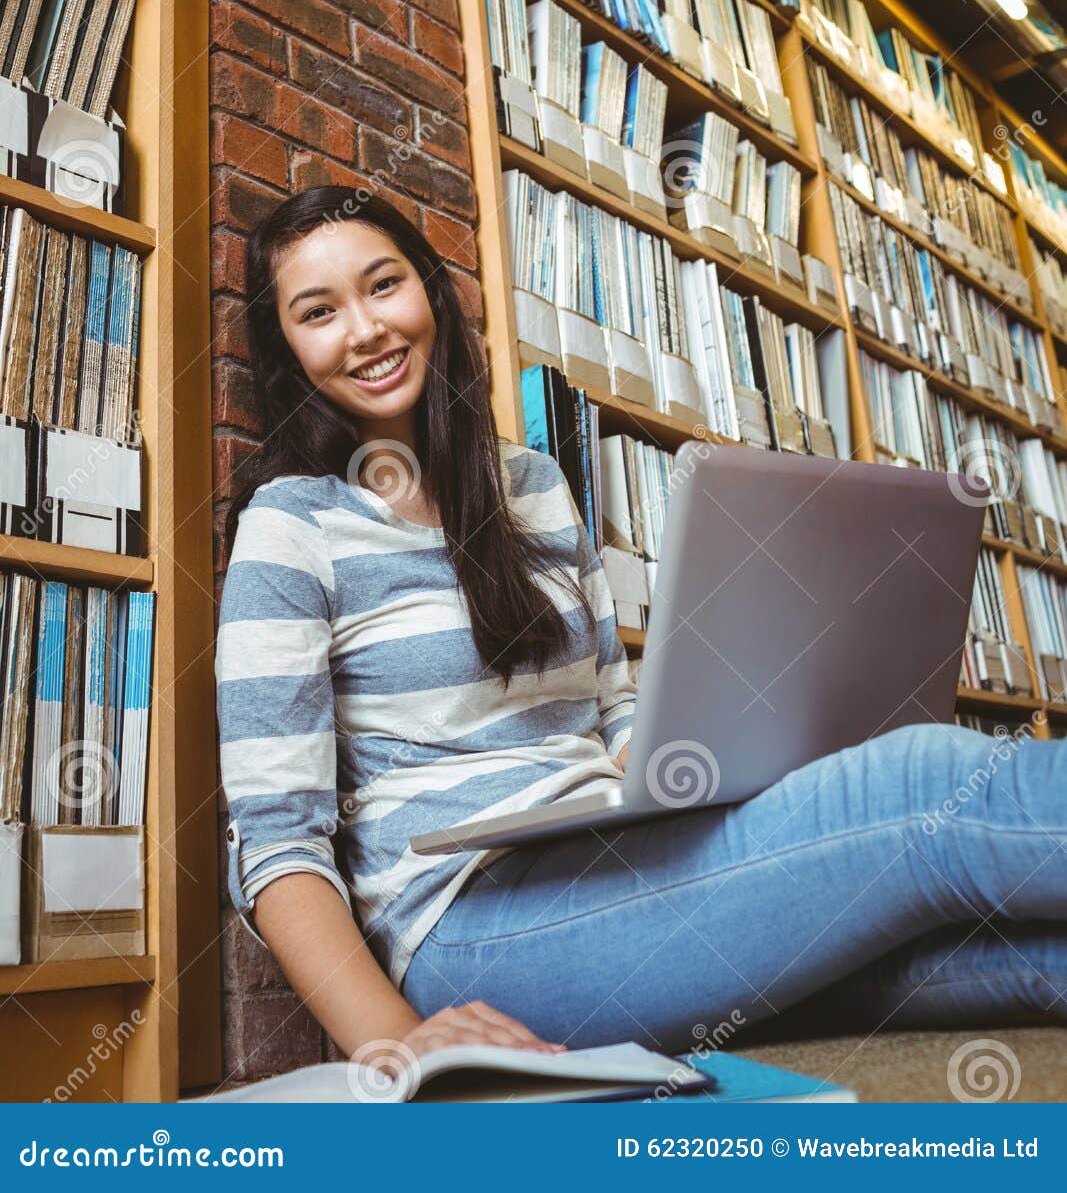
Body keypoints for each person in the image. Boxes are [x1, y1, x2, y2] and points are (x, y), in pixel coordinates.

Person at [216, 185, 1067, 1073]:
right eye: (318, 312)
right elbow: (279, 836)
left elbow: (612, 711)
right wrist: (391, 1038)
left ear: (427, 291)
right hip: (473, 923)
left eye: (382, 285)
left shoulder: (532, 484)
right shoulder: (293, 524)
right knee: (925, 782)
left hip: (635, 866)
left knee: (1010, 956)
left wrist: (717, 760)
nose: (364, 329)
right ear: (288, 351)